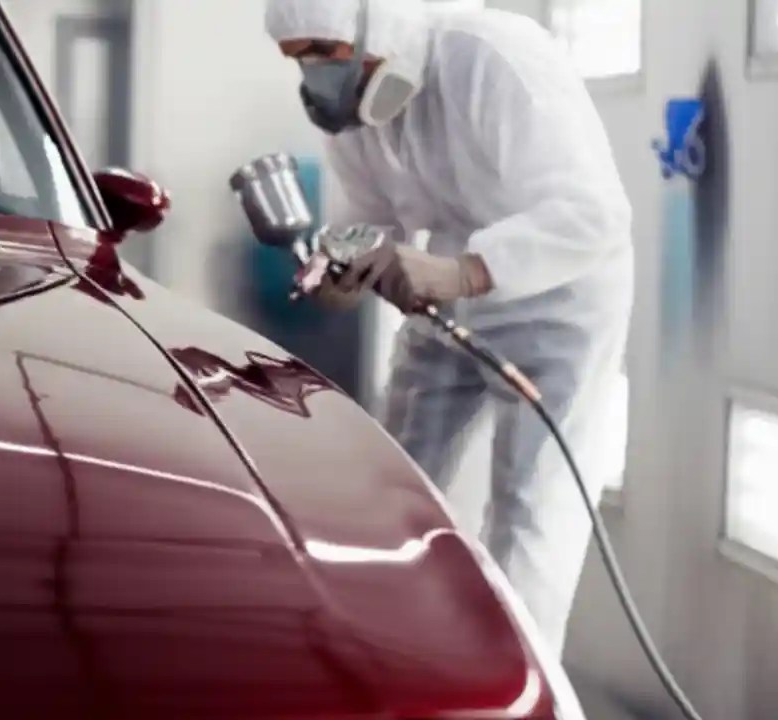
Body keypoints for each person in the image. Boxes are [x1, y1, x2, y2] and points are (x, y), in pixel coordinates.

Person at [266, 0, 634, 656]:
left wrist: (466, 271)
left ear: (374, 23)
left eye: (324, 50)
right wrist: (341, 267)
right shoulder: (355, 110)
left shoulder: (493, 59)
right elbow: (371, 217)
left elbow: (595, 215)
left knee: (531, 513)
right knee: (394, 478)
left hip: (560, 304)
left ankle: (516, 684)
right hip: (446, 295)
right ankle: (388, 657)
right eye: (299, 59)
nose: (315, 74)